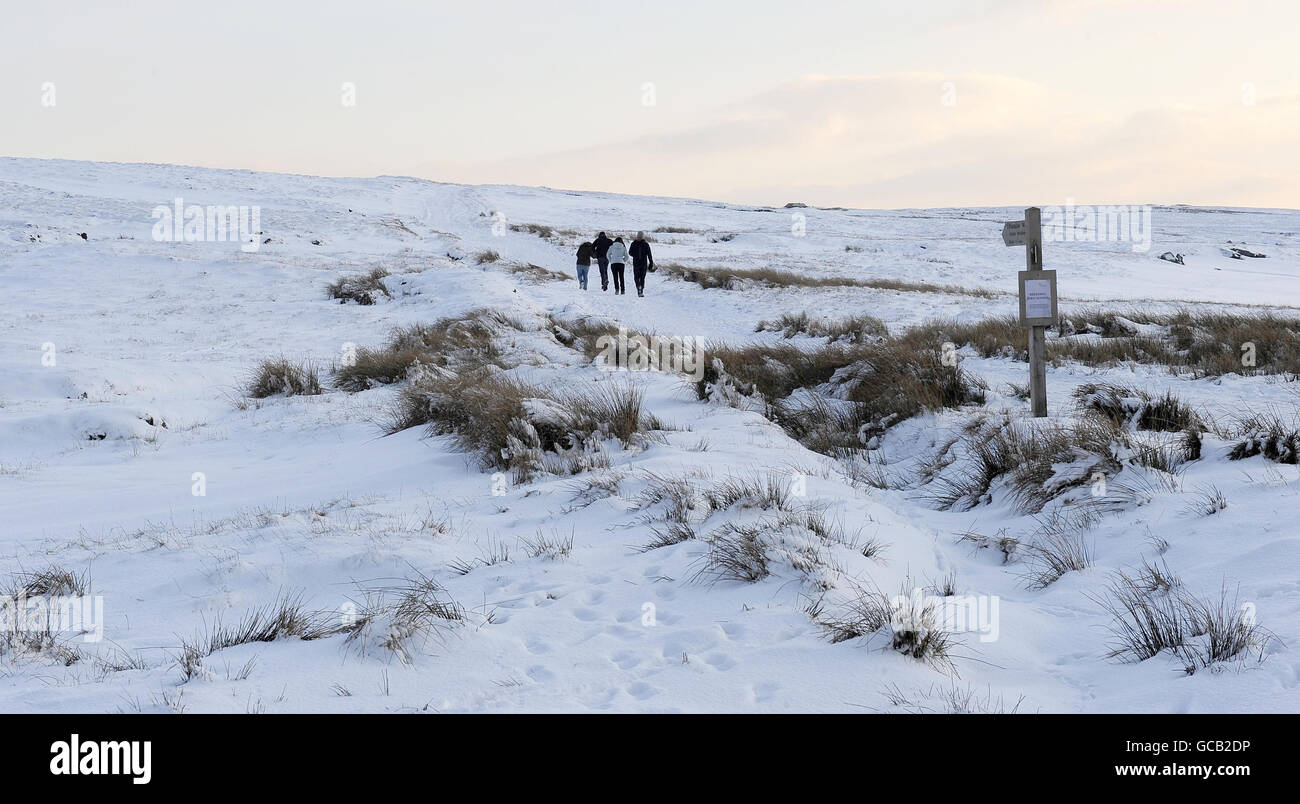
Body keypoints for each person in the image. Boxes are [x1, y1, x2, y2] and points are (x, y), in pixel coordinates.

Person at [629, 231, 654, 297]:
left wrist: (635, 255)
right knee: (642, 278)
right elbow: (649, 254)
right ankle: (641, 291)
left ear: (637, 237)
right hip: (643, 264)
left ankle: (639, 287)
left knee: (636, 277)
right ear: (643, 237)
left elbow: (630, 253)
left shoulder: (633, 244)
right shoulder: (646, 244)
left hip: (636, 263)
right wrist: (651, 262)